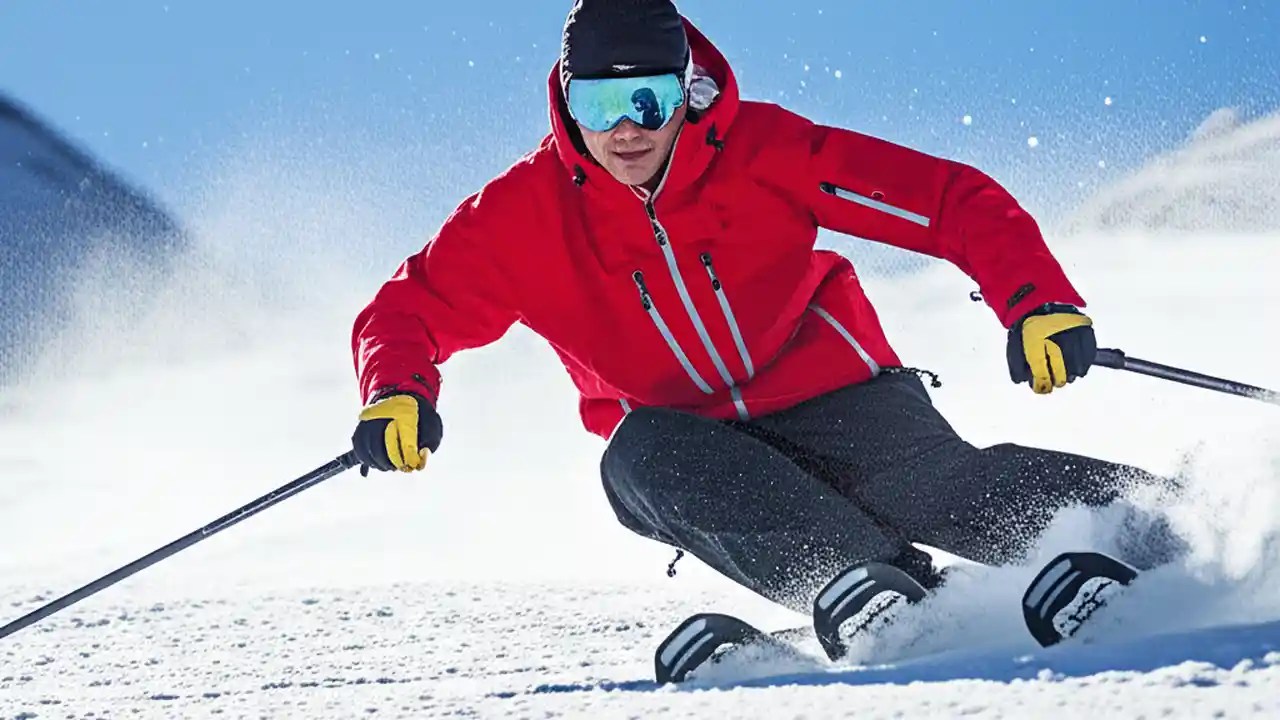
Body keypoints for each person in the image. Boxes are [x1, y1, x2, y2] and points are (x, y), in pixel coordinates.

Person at [349, 0, 1183, 615]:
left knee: (934, 490)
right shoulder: (522, 217)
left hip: (842, 398)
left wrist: (1036, 302)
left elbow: (944, 199)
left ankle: (1177, 531)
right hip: (695, 445)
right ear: (567, 104)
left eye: (645, 101)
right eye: (600, 107)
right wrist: (395, 392)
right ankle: (893, 598)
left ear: (685, 90)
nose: (625, 131)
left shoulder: (762, 152)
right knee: (635, 458)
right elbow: (408, 310)